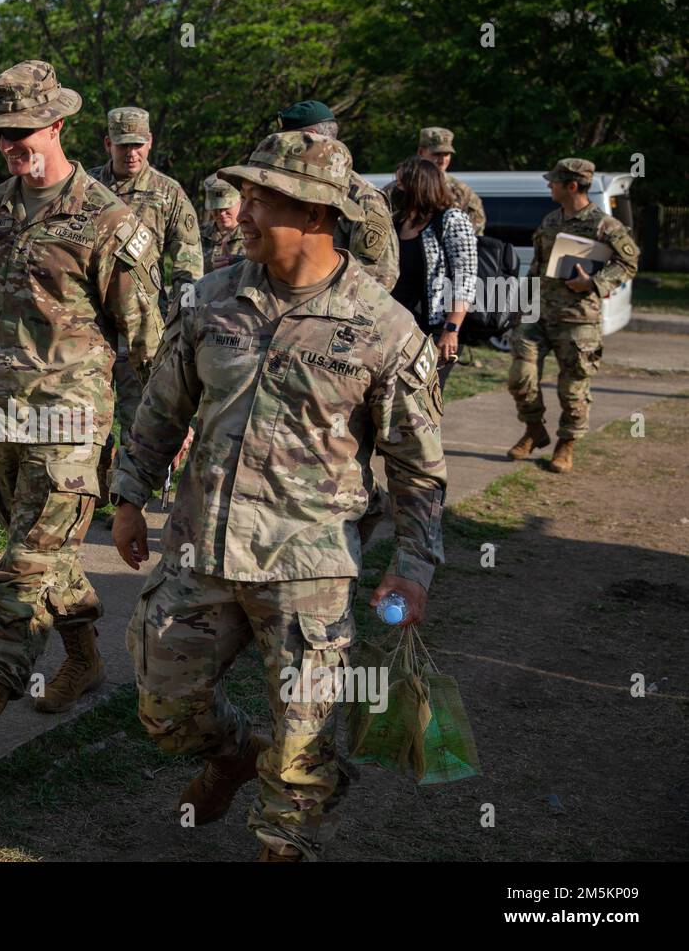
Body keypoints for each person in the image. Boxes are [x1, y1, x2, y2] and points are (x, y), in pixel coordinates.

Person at [111, 130, 447, 861]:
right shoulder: (210, 300)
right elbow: (163, 407)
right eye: (247, 195)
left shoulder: (382, 328)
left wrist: (412, 566)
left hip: (310, 573)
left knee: (304, 752)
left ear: (320, 215)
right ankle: (236, 756)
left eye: (265, 200)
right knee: (164, 709)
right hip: (202, 551)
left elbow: (417, 465)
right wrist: (130, 494)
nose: (243, 212)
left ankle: (286, 838)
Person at [0, 60, 161, 778]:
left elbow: (147, 345)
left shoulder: (109, 221)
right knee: (46, 560)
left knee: (19, 575)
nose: (12, 146)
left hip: (73, 432)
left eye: (24, 131)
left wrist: (151, 455)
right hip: (3, 426)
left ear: (59, 124)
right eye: (1, 135)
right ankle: (85, 659)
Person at [507, 158, 640, 473]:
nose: (548, 185)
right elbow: (537, 267)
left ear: (571, 186)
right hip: (538, 314)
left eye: (553, 181)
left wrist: (594, 282)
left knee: (573, 388)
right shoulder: (551, 220)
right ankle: (534, 429)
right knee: (520, 377)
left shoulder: (604, 226)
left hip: (577, 319)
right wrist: (522, 305)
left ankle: (566, 444)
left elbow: (629, 263)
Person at [89, 107, 202, 447]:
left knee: (139, 412)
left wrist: (181, 318)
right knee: (86, 411)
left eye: (138, 144)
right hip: (89, 320)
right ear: (109, 143)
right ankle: (89, 486)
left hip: (144, 323)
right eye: (123, 144)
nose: (131, 152)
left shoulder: (169, 194)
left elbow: (188, 265)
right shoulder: (88, 187)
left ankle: (128, 490)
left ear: (150, 143)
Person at [277, 100, 399, 290]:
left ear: (312, 137)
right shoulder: (288, 189)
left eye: (289, 142)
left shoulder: (362, 197)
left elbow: (377, 278)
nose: (281, 149)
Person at [389, 156, 477, 389]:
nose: (395, 189)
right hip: (395, 328)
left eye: (400, 184)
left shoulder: (451, 219)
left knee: (420, 405)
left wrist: (451, 329)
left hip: (432, 331)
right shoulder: (397, 221)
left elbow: (465, 278)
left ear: (418, 186)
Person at [384, 127, 486, 235]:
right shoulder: (397, 189)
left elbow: (475, 236)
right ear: (421, 152)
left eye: (446, 154)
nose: (442, 160)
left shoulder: (464, 193)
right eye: (437, 154)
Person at [201, 173, 244, 273]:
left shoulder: (254, 236)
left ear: (241, 201)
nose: (221, 213)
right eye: (216, 207)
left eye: (226, 207)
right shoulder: (199, 236)